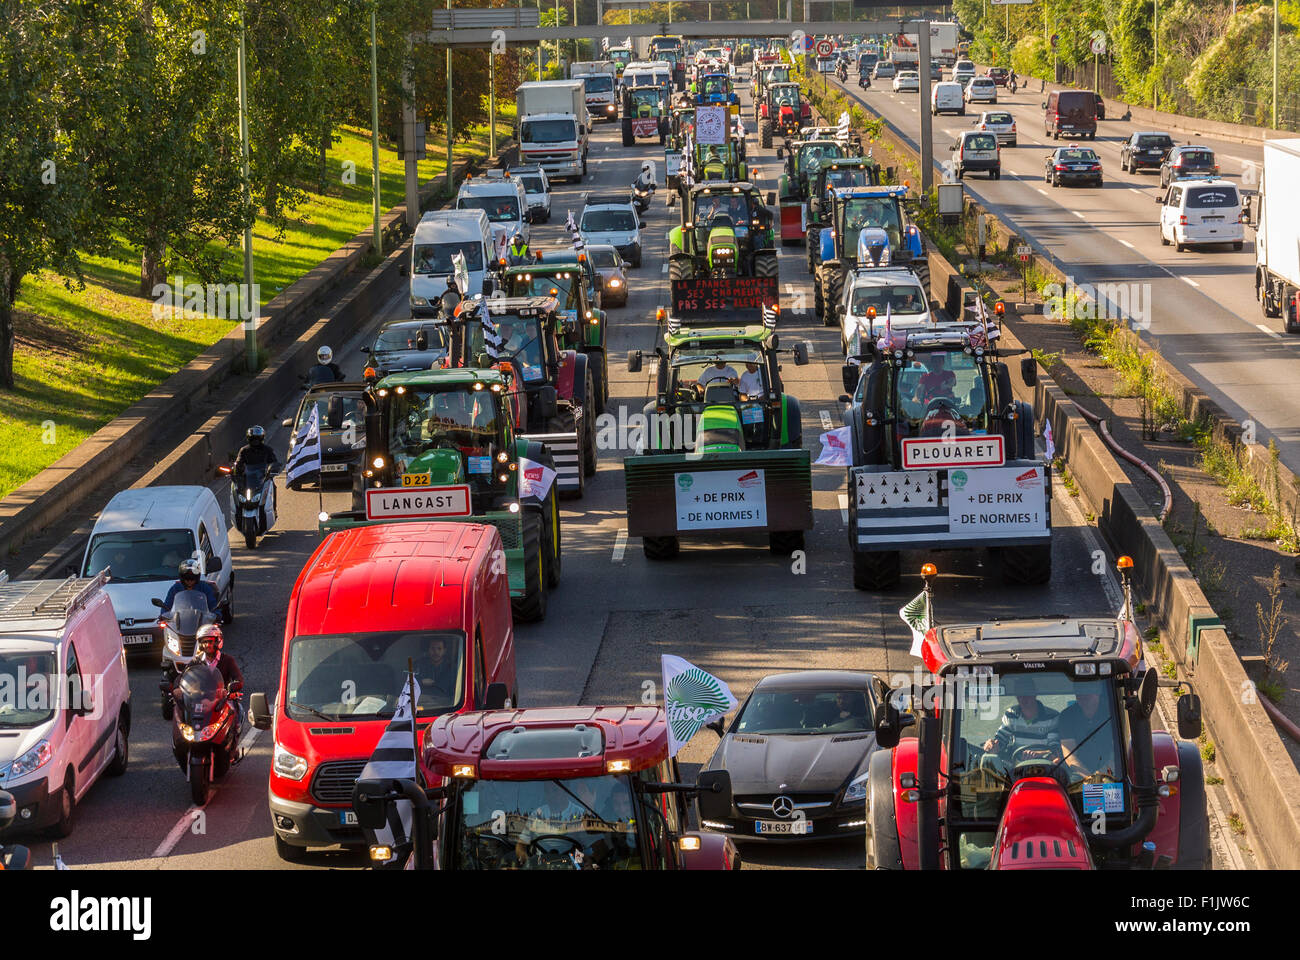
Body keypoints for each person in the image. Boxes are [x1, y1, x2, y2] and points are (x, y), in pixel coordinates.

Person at [981, 694, 1062, 770]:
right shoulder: (1011, 715)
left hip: (1046, 768)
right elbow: (1000, 740)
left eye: (1027, 694)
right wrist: (992, 745)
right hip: (1017, 769)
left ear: (1035, 694)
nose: (1023, 699)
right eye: (1020, 695)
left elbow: (1055, 748)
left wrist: (1039, 754)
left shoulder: (1052, 717)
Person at [1057, 689, 1116, 779]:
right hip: (1079, 773)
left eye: (1087, 690)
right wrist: (1088, 778)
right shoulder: (1067, 716)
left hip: (1112, 769)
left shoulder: (1113, 711)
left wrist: (1101, 774)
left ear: (1098, 691)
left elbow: (1118, 751)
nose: (1083, 696)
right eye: (1079, 692)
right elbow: (1069, 754)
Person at [414, 634, 456, 703]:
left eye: (439, 649)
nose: (436, 652)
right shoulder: (418, 665)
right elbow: (408, 686)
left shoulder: (452, 668)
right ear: (428, 649)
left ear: (444, 650)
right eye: (433, 648)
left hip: (446, 706)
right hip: (422, 705)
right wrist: (421, 682)